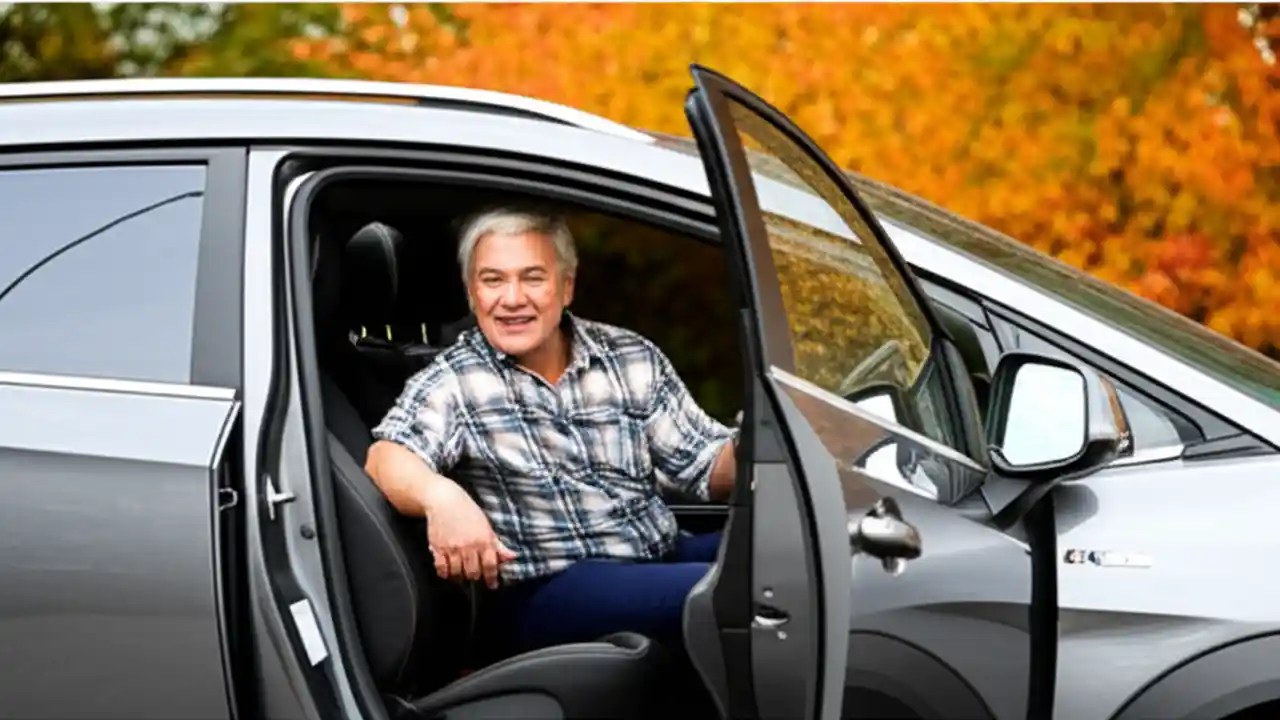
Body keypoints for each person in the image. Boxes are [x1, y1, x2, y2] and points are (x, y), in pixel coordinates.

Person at [364, 205, 738, 666]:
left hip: (656, 551)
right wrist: (442, 498)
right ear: (471, 293)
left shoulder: (629, 355)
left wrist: (762, 440)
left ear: (566, 287)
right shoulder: (454, 381)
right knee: (740, 592)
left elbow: (706, 464)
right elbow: (387, 455)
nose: (512, 298)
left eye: (533, 277)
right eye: (493, 280)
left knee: (793, 558)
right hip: (546, 591)